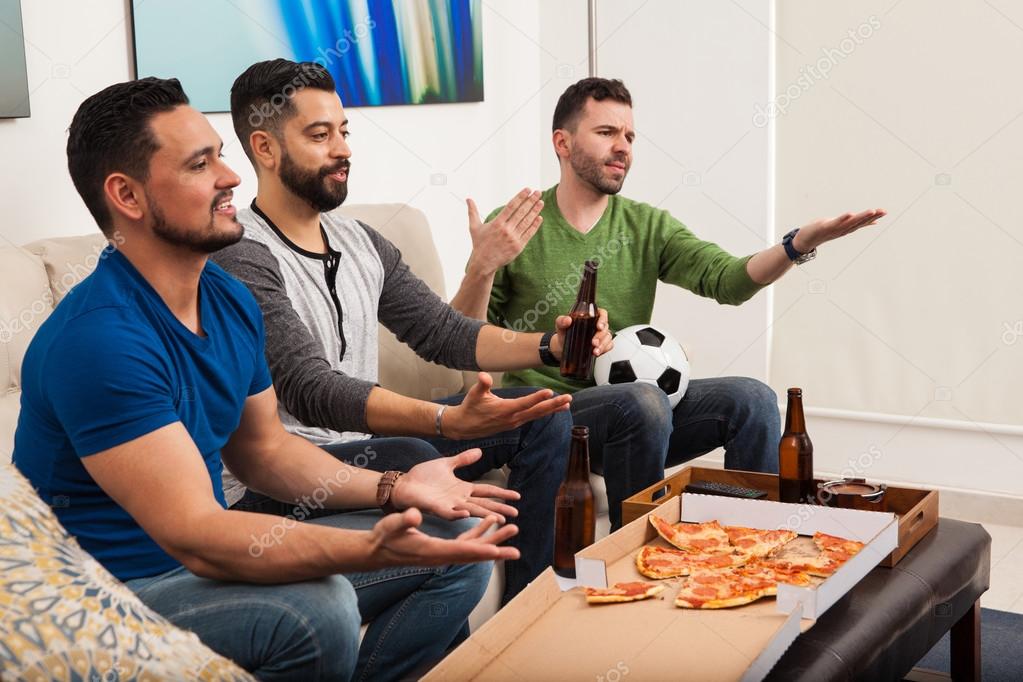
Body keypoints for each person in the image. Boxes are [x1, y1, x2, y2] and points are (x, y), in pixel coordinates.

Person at [13, 76, 522, 682]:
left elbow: (266, 450)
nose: (229, 177)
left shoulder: (226, 298)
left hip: (192, 570)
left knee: (459, 541)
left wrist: (396, 487)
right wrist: (364, 547)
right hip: (107, 598)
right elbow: (197, 535)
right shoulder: (99, 340)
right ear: (127, 195)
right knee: (320, 608)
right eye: (200, 164)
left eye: (220, 155)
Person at [211, 59, 612, 605]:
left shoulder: (361, 241)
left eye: (344, 132)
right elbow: (312, 390)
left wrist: (550, 344)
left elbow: (443, 332)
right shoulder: (240, 255)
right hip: (285, 479)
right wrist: (444, 418)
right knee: (408, 448)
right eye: (320, 135)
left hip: (368, 447)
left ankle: (532, 603)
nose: (343, 149)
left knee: (542, 416)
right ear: (265, 148)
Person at [450, 77, 886, 530]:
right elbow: (459, 336)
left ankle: (756, 544)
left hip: (640, 414)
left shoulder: (646, 226)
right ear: (562, 141)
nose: (623, 147)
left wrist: (798, 245)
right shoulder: (517, 222)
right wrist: (480, 266)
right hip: (554, 414)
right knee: (644, 400)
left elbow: (728, 280)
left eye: (630, 136)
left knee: (753, 399)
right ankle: (635, 556)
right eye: (606, 133)